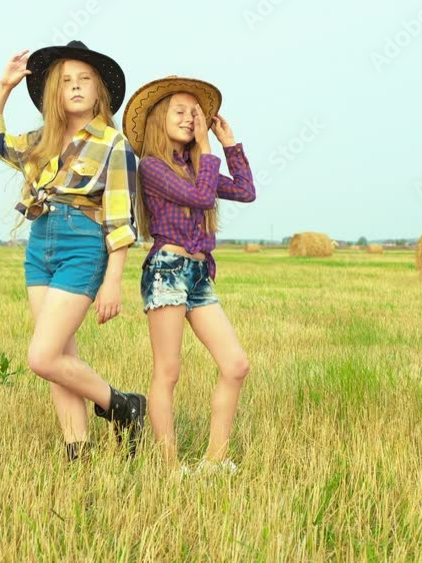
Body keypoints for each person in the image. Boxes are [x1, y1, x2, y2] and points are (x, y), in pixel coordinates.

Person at [0, 41, 145, 460]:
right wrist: (4, 85)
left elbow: (120, 220)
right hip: (40, 245)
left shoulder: (113, 144)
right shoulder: (41, 141)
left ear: (100, 91)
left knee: (42, 356)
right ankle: (76, 451)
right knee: (61, 354)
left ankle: (122, 405)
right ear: (55, 92)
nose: (77, 87)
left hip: (82, 244)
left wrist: (113, 281)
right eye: (67, 81)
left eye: (85, 79)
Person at [122, 76, 256, 472]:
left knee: (235, 364)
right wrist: (205, 148)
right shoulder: (151, 167)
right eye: (179, 111)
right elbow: (200, 196)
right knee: (168, 371)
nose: (189, 117)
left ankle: (214, 463)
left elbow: (246, 191)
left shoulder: (199, 166)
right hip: (167, 270)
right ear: (160, 118)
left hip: (198, 273)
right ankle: (168, 468)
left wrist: (230, 145)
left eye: (194, 112)